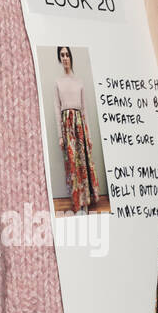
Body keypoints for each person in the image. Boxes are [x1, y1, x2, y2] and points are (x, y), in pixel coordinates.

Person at [53, 46, 99, 213]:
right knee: (72, 164)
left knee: (83, 162)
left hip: (80, 123)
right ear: (60, 58)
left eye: (67, 54)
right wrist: (60, 135)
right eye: (62, 55)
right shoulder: (58, 82)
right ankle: (77, 202)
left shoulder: (79, 81)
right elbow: (57, 108)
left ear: (71, 57)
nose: (65, 57)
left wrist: (90, 135)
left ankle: (86, 200)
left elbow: (85, 109)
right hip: (67, 125)